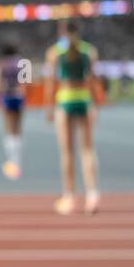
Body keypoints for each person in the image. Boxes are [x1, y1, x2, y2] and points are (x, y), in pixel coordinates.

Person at [44, 21, 101, 215]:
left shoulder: (54, 53)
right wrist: (96, 106)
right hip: (84, 101)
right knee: (87, 149)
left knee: (67, 152)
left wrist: (49, 107)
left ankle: (69, 197)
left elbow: (51, 82)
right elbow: (93, 80)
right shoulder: (89, 51)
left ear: (62, 32)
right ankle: (92, 194)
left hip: (65, 101)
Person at [0, 43, 28, 179]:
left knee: (9, 128)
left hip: (7, 97)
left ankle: (11, 161)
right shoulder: (22, 62)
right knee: (18, 129)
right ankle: (18, 161)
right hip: (19, 96)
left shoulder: (1, 64)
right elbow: (26, 83)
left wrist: (0, 93)